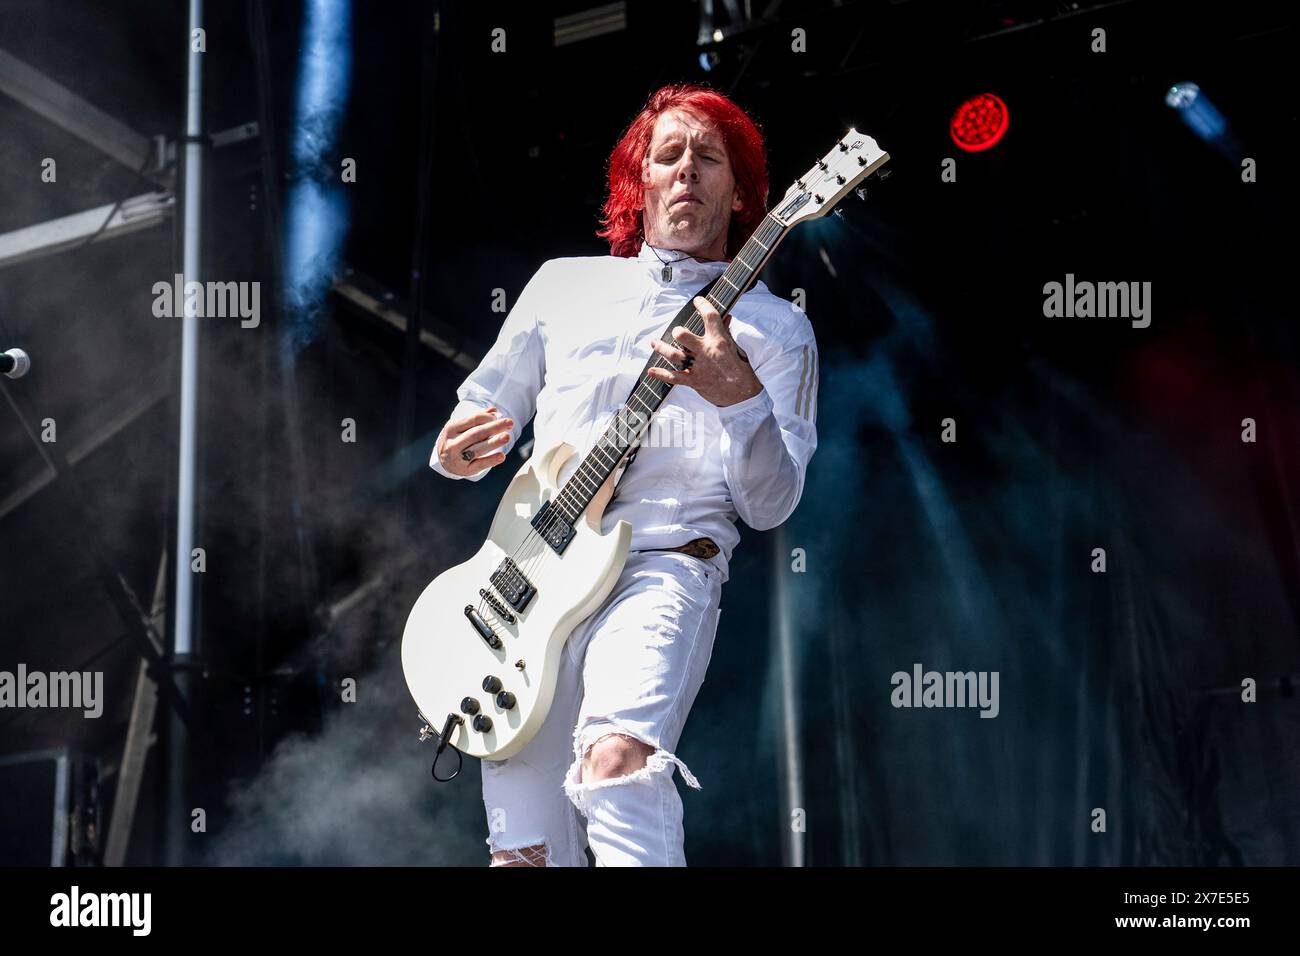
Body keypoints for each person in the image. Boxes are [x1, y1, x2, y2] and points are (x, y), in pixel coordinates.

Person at [429, 83, 819, 866]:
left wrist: (738, 396)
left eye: (707, 158)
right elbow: (476, 415)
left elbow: (773, 505)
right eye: (667, 155)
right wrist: (453, 450)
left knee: (617, 765)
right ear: (636, 181)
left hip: (664, 565)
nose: (685, 172)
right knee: (523, 855)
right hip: (526, 583)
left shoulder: (775, 329)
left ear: (740, 190)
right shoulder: (561, 286)